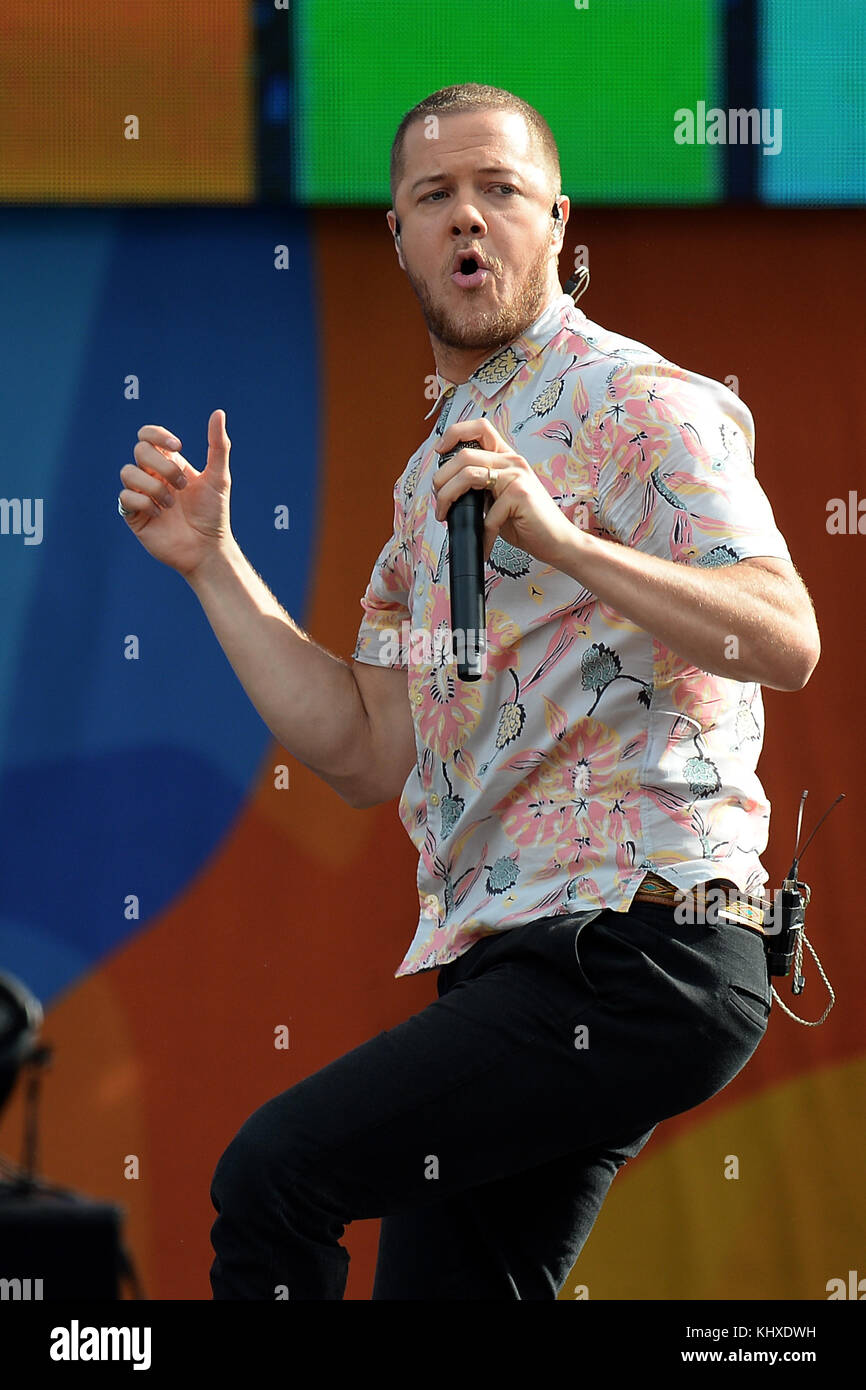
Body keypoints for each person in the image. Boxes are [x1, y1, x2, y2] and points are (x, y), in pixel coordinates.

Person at [117, 83, 820, 1300]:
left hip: (638, 948)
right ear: (394, 234)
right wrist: (212, 563)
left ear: (556, 219)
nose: (467, 219)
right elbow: (360, 750)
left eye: (498, 189)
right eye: (433, 195)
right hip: (516, 963)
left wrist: (565, 541)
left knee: (274, 1172)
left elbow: (785, 634)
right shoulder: (425, 484)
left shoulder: (640, 402)